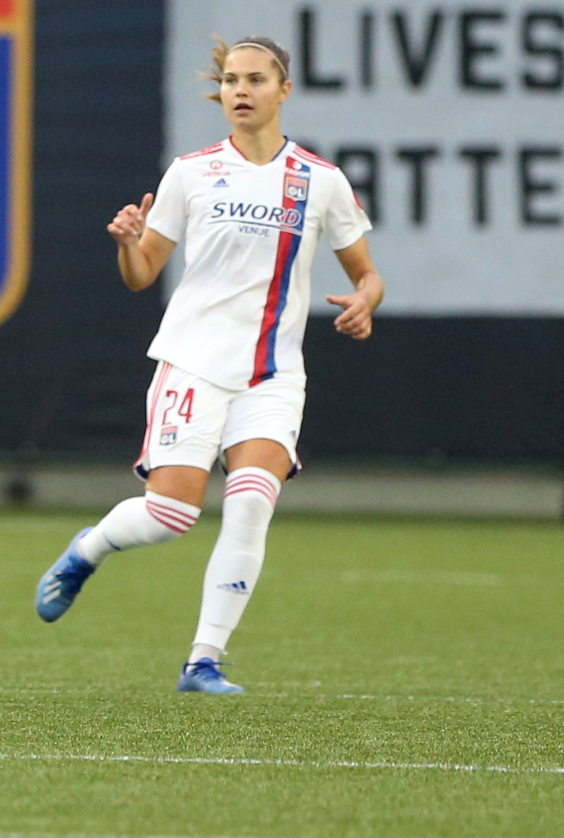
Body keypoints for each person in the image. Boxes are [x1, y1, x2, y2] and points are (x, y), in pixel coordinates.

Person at [35, 37, 382, 694]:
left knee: (251, 504)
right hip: (192, 364)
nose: (240, 91)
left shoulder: (319, 180)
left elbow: (365, 273)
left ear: (283, 90)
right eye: (229, 80)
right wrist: (128, 244)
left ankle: (203, 660)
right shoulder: (191, 172)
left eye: (255, 79)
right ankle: (88, 550)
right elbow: (142, 275)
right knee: (170, 516)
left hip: (273, 373)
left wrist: (363, 300)